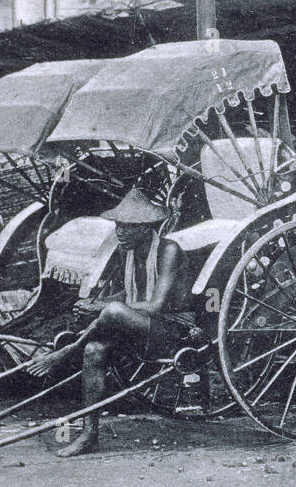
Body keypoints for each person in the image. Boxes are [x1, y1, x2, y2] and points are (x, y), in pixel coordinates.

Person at [56, 188, 195, 457]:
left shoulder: (169, 251)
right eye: (119, 225)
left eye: (128, 227)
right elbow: (128, 294)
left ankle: (66, 351)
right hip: (141, 326)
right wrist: (97, 303)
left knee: (112, 312)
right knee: (94, 350)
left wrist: (103, 306)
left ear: (145, 229)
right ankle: (89, 435)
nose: (120, 232)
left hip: (173, 329)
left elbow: (154, 305)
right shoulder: (127, 251)